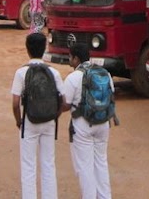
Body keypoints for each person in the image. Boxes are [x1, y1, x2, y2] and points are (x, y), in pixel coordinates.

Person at [11, 32, 64, 199]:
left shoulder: (21, 73)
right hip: (49, 121)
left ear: (27, 50)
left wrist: (19, 121)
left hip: (29, 121)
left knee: (28, 166)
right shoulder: (53, 73)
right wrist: (55, 115)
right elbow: (62, 99)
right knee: (48, 163)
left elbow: (15, 102)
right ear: (44, 49)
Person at [61, 43, 113, 199]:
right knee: (101, 164)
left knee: (85, 167)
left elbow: (65, 105)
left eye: (70, 57)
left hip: (82, 125)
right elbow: (111, 95)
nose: (69, 60)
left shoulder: (73, 77)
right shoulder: (104, 73)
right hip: (103, 123)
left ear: (76, 58)